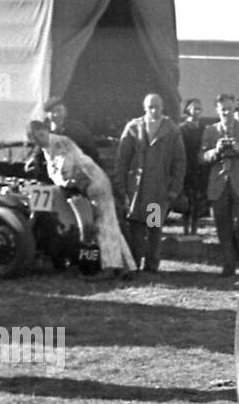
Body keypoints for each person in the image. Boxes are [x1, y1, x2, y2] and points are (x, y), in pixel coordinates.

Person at [29, 121, 136, 279]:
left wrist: (60, 183)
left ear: (46, 131)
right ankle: (125, 267)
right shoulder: (48, 147)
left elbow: (65, 169)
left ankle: (109, 269)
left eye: (41, 135)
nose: (39, 140)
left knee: (102, 225)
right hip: (90, 182)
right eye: (35, 138)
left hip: (92, 182)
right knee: (110, 223)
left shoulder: (58, 142)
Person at [114, 93, 186, 273]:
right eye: (150, 107)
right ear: (144, 108)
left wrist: (173, 189)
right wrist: (122, 188)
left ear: (163, 108)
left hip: (156, 190)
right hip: (136, 190)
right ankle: (135, 263)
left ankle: (152, 265)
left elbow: (179, 162)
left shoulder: (171, 130)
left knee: (153, 227)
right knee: (136, 227)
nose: (154, 110)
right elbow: (122, 160)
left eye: (157, 107)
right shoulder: (133, 127)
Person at [202, 93, 239, 276]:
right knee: (222, 226)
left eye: (230, 109)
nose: (227, 113)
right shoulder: (210, 131)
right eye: (223, 110)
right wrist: (215, 151)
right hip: (219, 184)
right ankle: (228, 264)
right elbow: (201, 157)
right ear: (217, 111)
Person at [178, 98, 208, 235]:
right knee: (186, 203)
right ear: (187, 110)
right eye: (194, 108)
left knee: (198, 202)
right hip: (187, 167)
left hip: (200, 168)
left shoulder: (204, 129)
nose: (197, 111)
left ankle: (194, 230)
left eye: (199, 109)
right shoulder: (182, 128)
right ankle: (185, 230)